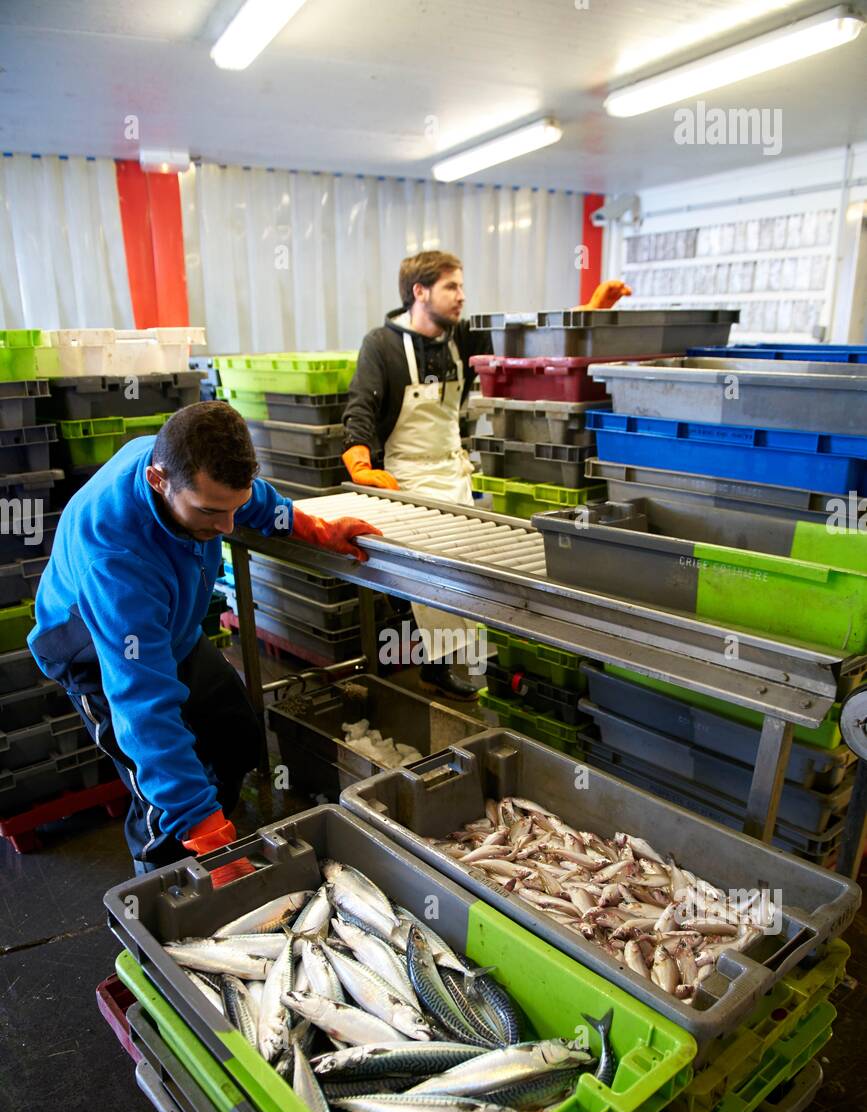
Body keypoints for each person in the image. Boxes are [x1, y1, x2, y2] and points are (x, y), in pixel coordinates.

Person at [28, 401, 379, 880]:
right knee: (155, 788)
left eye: (232, 508)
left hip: (170, 630)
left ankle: (210, 830)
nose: (227, 528)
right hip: (92, 646)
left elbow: (247, 501)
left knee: (235, 736)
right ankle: (165, 884)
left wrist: (309, 527)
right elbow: (144, 710)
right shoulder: (116, 561)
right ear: (157, 480)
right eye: (211, 512)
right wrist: (199, 825)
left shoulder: (191, 473)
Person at [341, 251, 631, 699]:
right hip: (408, 478)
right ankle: (439, 669)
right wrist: (361, 464)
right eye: (451, 287)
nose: (462, 296)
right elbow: (360, 407)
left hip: (455, 470)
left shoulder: (465, 337)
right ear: (419, 292)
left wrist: (589, 313)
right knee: (430, 576)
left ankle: (481, 667)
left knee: (470, 568)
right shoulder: (380, 344)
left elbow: (530, 346)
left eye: (461, 286)